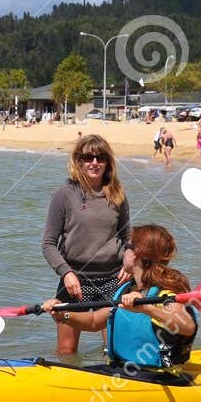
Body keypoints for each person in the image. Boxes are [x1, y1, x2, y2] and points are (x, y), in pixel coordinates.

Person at [44, 224, 197, 371]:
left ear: (136, 255)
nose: (122, 252)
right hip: (120, 369)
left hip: (157, 375)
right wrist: (63, 313)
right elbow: (94, 321)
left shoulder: (165, 294)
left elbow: (187, 327)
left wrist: (147, 309)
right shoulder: (127, 290)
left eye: (126, 248)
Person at [42, 135, 131, 356]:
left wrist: (130, 263)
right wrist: (66, 274)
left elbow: (128, 238)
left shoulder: (117, 194)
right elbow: (48, 244)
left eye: (100, 157)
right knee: (66, 352)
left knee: (113, 351)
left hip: (112, 280)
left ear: (108, 162)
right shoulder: (64, 194)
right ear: (78, 161)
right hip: (74, 282)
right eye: (88, 157)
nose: (94, 163)